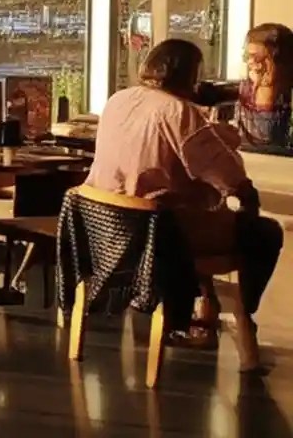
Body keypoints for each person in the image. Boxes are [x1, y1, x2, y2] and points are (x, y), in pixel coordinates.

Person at [86, 39, 283, 351]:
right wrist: (245, 190)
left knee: (193, 208)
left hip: (107, 227)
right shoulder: (178, 111)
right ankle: (243, 314)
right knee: (265, 233)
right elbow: (222, 170)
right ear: (190, 74)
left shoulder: (118, 100)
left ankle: (202, 308)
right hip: (157, 235)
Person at [236, 23, 293, 151]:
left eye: (257, 58)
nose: (251, 63)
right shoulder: (245, 90)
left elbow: (266, 137)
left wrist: (266, 90)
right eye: (248, 56)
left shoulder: (287, 95)